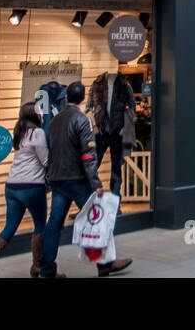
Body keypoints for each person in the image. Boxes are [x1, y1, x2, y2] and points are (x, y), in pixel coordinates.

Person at [39, 81, 132, 278]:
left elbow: (50, 149)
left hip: (58, 179)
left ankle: (47, 268)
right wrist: (96, 183)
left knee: (54, 224)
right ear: (82, 99)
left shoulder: (55, 121)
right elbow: (89, 155)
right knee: (97, 220)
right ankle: (105, 263)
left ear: (66, 98)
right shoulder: (82, 121)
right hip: (77, 179)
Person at [0, 102, 47, 277]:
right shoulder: (38, 133)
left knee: (9, 229)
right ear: (35, 116)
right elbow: (46, 161)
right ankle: (37, 266)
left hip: (12, 186)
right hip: (32, 185)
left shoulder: (19, 133)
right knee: (40, 225)